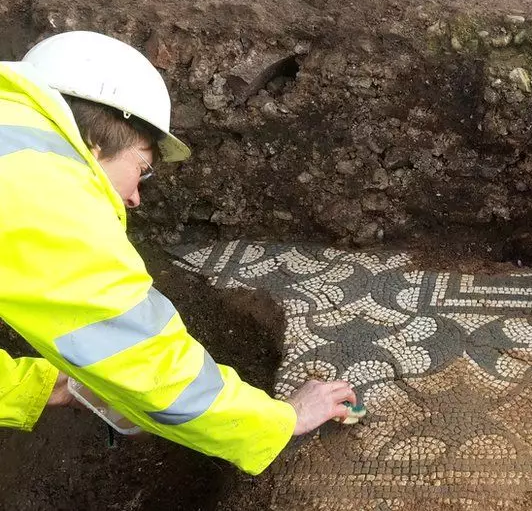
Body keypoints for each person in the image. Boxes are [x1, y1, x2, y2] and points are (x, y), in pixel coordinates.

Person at [0, 31, 357, 475]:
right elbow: (145, 358)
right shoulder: (42, 186)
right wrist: (281, 419)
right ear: (95, 142)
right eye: (142, 170)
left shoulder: (13, 140)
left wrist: (43, 387)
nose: (135, 198)